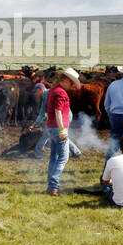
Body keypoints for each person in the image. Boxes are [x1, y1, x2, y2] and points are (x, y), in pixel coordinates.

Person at [45, 67, 80, 195]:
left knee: (54, 157)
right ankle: (54, 185)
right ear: (65, 80)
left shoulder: (52, 91)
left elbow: (49, 111)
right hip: (58, 127)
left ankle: (51, 185)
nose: (71, 86)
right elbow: (58, 111)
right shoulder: (61, 93)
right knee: (63, 157)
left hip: (51, 127)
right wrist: (61, 129)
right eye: (71, 83)